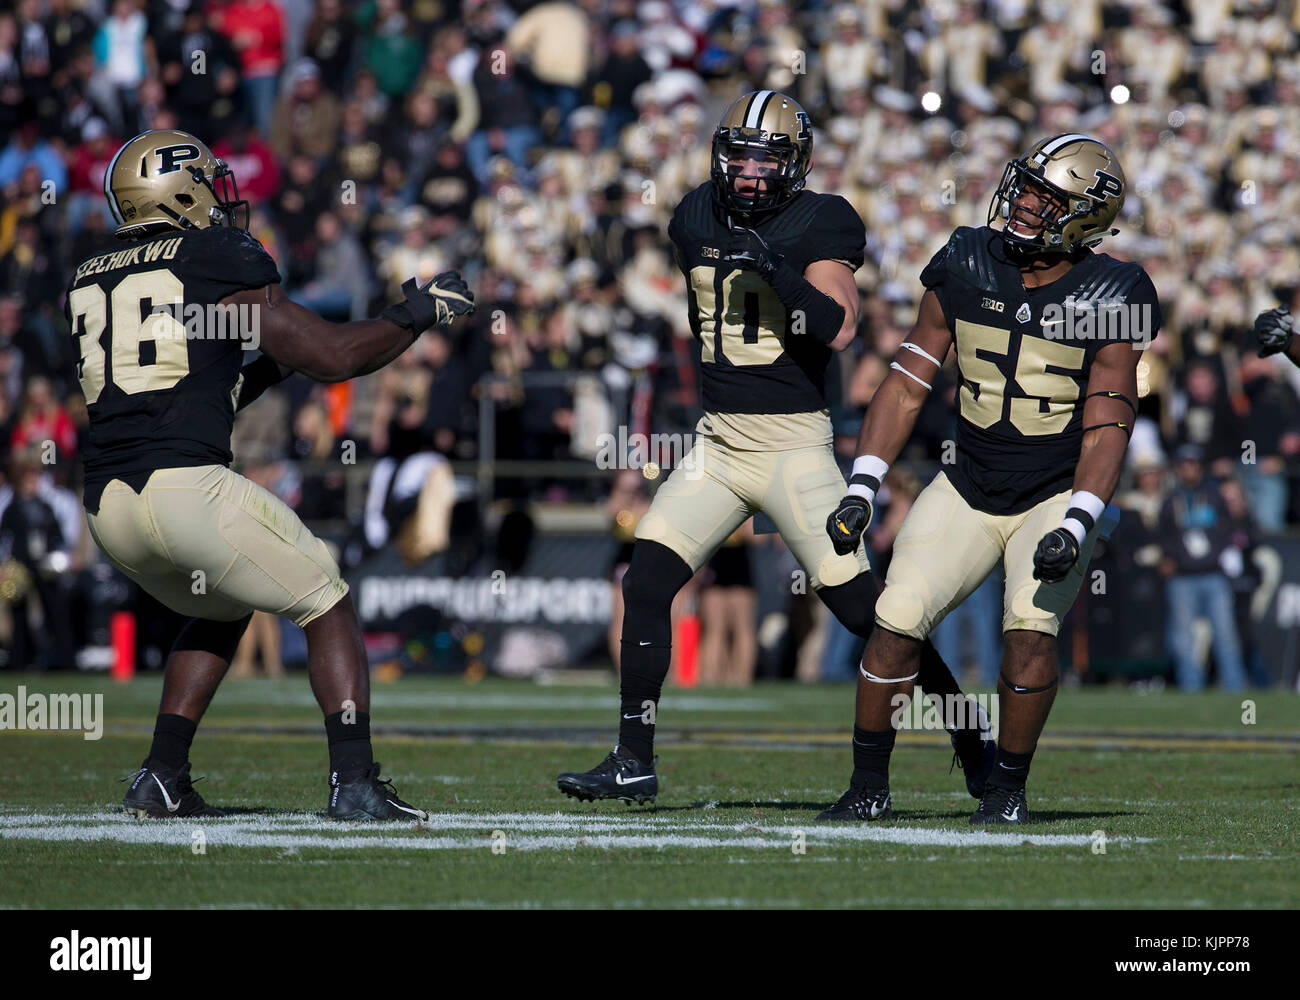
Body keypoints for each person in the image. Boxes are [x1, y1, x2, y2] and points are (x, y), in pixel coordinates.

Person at [556, 92, 989, 806]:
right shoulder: (694, 213)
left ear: (796, 164)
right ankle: (634, 756)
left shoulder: (822, 220)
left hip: (793, 447)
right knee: (647, 581)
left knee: (872, 616)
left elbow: (837, 328)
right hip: (720, 443)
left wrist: (775, 269)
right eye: (740, 154)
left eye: (766, 158)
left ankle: (968, 737)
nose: (750, 171)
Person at [70, 129, 473, 819]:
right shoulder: (214, 252)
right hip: (185, 489)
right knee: (326, 595)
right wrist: (416, 313)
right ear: (182, 188)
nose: (223, 200)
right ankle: (355, 784)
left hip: (108, 506)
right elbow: (335, 356)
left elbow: (194, 384)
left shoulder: (91, 268)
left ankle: (161, 775)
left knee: (219, 605)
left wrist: (278, 361)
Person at [819, 134, 1161, 824]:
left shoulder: (1114, 290)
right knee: (893, 619)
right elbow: (909, 378)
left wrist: (1079, 518)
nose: (1026, 204)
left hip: (1055, 488)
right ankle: (867, 789)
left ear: (1085, 215)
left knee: (1030, 632)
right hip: (968, 480)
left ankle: (1005, 792)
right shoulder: (967, 258)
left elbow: (1109, 419)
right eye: (1027, 188)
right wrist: (863, 485)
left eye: (1046, 197)